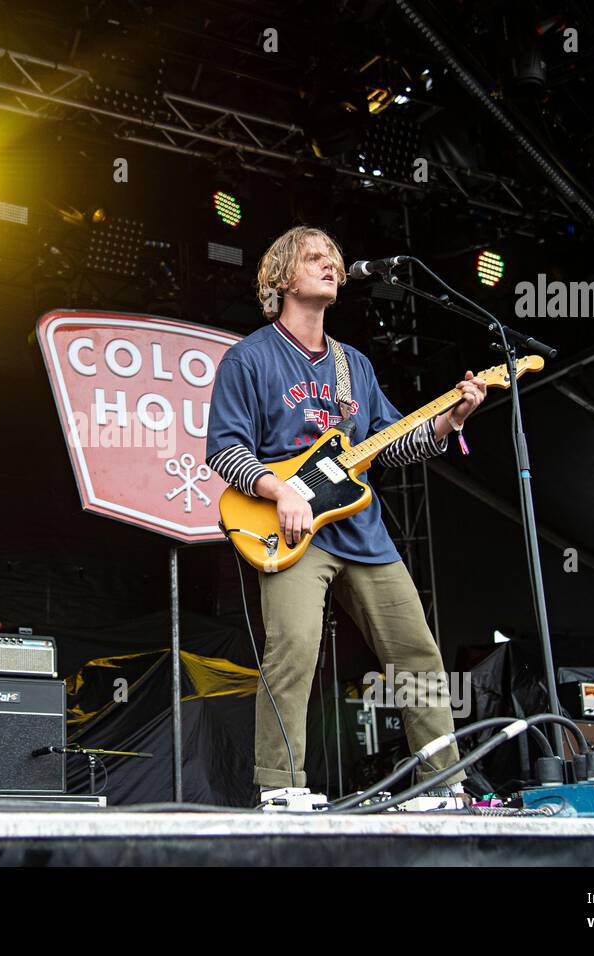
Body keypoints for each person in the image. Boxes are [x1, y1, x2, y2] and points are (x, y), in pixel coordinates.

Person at [205, 226, 488, 802]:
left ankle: (443, 786)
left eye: (334, 259)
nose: (331, 266)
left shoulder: (351, 364)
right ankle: (281, 789)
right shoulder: (249, 358)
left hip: (364, 531)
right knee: (294, 650)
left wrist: (448, 421)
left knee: (417, 655)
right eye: (314, 259)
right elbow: (224, 448)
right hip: (292, 530)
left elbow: (393, 444)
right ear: (281, 277)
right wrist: (279, 491)